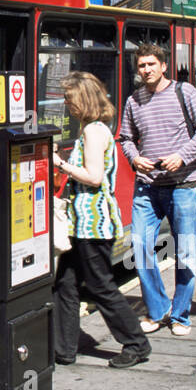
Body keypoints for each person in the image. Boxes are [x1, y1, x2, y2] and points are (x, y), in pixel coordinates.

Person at [53, 72, 151, 368]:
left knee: (100, 286)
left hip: (93, 222)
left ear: (83, 98)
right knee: (65, 284)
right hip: (81, 222)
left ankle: (136, 343)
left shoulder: (94, 132)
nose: (66, 102)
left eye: (69, 97)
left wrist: (60, 163)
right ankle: (64, 349)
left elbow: (94, 177)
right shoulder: (91, 128)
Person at [117, 43, 196, 337]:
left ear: (163, 66)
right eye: (141, 66)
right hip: (147, 188)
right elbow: (125, 138)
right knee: (139, 247)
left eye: (150, 64)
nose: (146, 70)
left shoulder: (184, 92)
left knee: (184, 253)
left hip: (182, 188)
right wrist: (134, 158)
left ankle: (181, 315)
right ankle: (159, 309)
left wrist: (182, 156)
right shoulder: (134, 101)